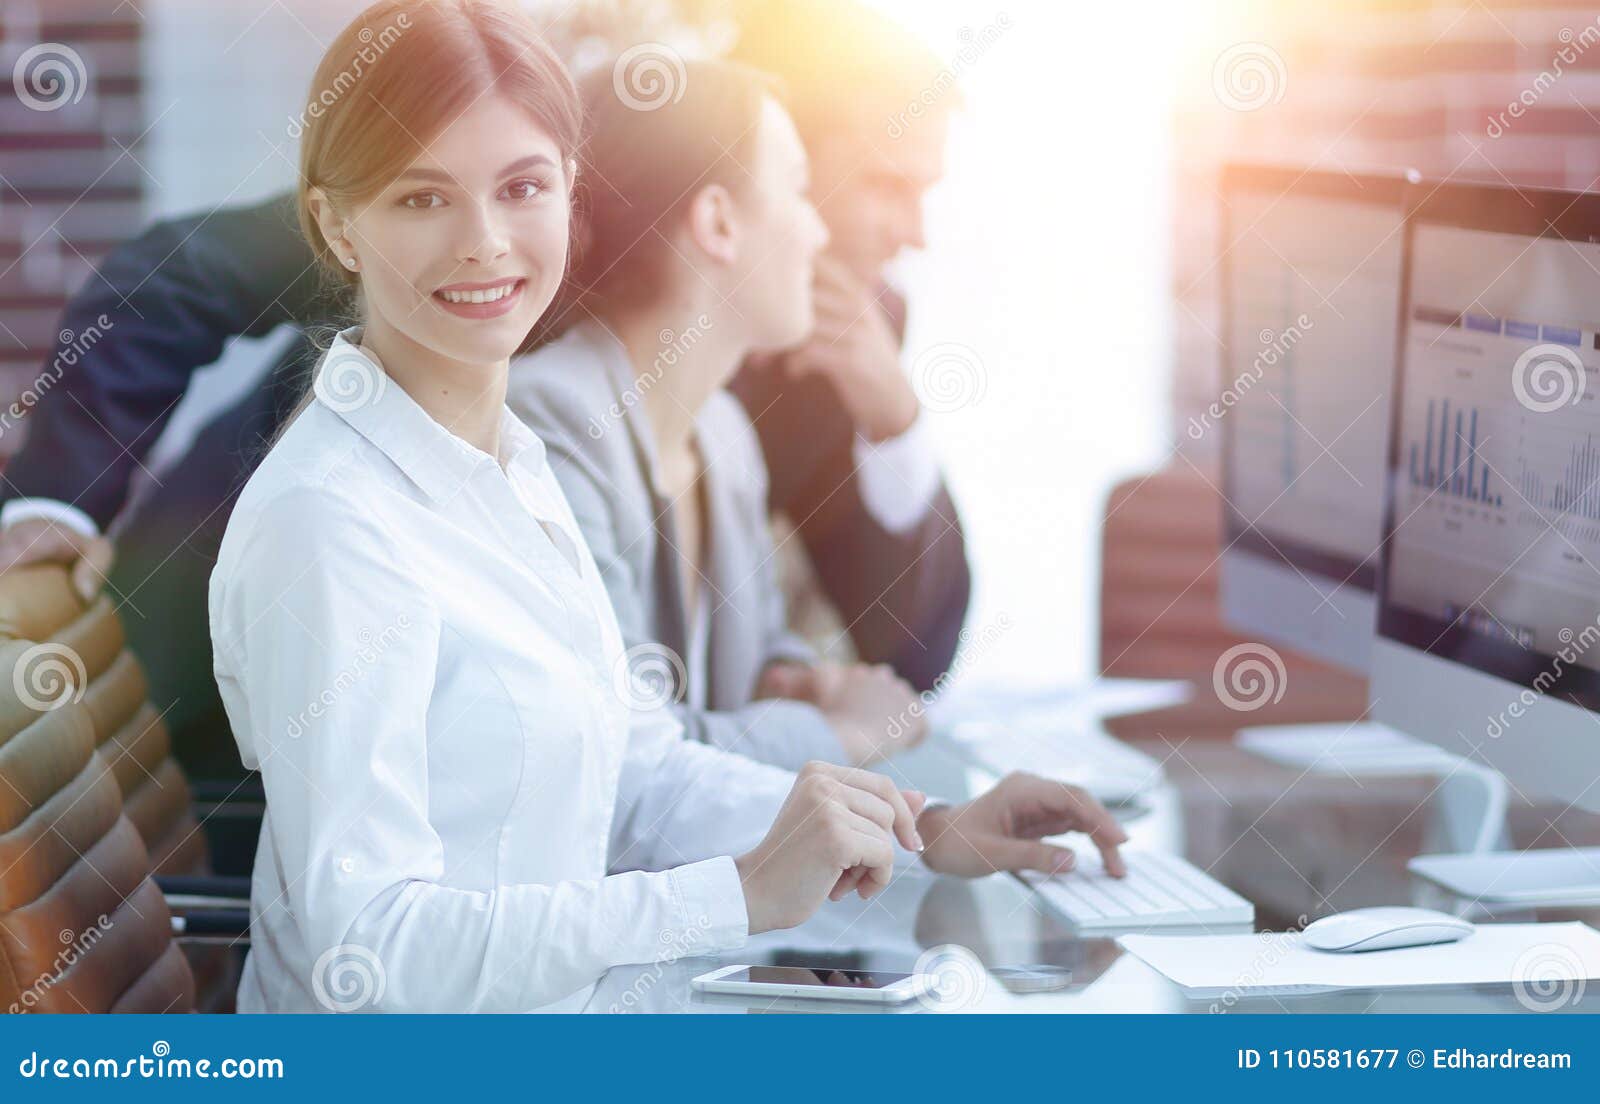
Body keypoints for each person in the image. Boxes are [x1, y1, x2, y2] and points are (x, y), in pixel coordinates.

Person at [214, 0, 1122, 1013]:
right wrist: (735, 895)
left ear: (569, 195)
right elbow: (367, 952)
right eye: (422, 199)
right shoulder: (330, 523)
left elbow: (633, 777)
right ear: (336, 223)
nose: (484, 241)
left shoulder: (509, 465)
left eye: (523, 187)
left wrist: (922, 827)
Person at [0, 0, 969, 787]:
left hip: (485, 776)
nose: (917, 231)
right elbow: (178, 279)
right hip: (215, 659)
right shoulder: (517, 188)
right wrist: (56, 501)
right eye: (886, 185)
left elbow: (903, 665)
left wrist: (897, 425)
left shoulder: (845, 332)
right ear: (772, 155)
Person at [509, 61, 926, 771]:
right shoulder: (549, 423)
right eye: (799, 191)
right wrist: (845, 736)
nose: (817, 232)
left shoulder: (724, 434)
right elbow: (619, 753)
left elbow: (756, 650)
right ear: (719, 223)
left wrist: (798, 682)